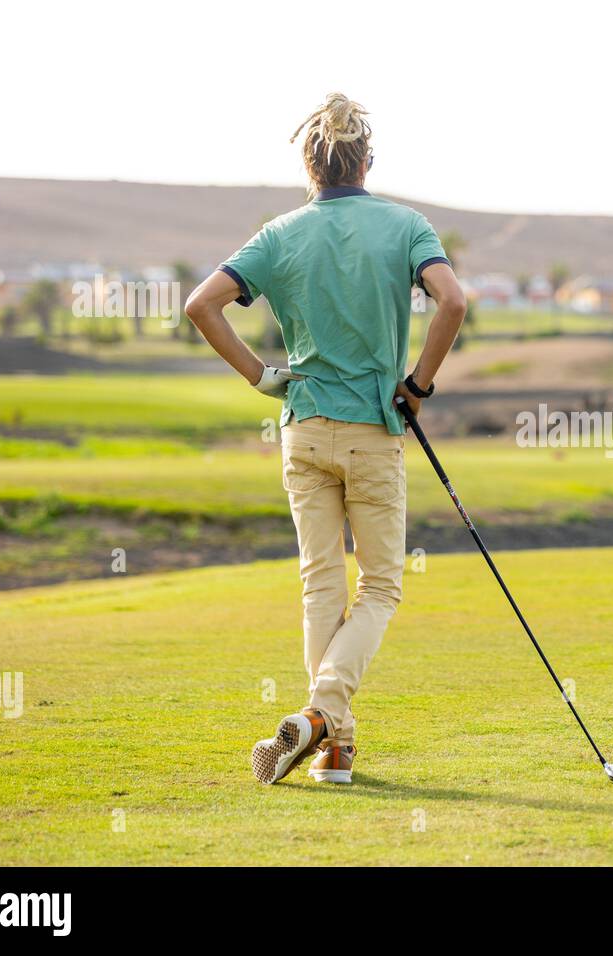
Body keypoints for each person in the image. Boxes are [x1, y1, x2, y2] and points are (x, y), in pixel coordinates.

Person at [185, 93, 466, 784]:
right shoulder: (406, 225)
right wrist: (419, 386)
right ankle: (319, 717)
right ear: (366, 161)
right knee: (381, 588)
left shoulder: (279, 233)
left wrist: (260, 375)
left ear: (309, 167)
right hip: (373, 430)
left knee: (321, 586)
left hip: (303, 427)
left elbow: (201, 305)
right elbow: (452, 301)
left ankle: (335, 749)